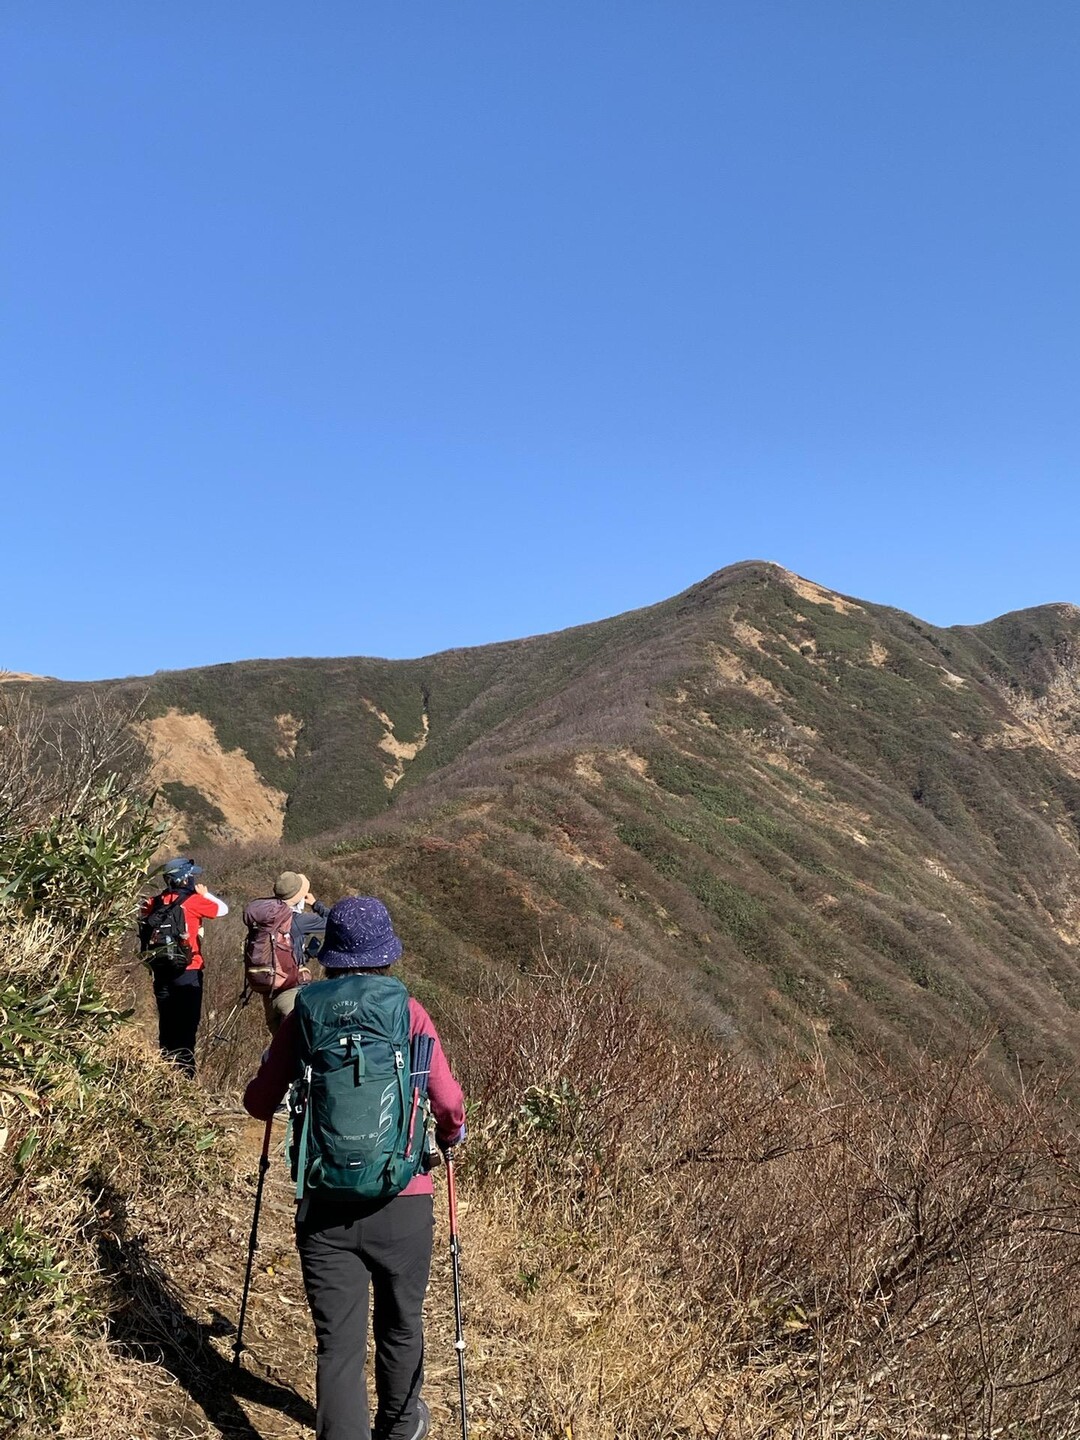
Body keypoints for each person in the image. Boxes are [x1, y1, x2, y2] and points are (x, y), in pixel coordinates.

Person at [243, 896, 466, 1440]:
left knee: (338, 1345)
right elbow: (449, 1102)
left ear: (332, 954)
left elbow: (259, 1104)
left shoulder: (307, 1011)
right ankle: (400, 1428)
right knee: (401, 1325)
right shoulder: (408, 1011)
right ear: (386, 954)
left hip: (324, 1206)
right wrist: (449, 1136)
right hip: (403, 1199)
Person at [141, 856, 228, 1077]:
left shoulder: (153, 902)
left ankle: (164, 1073)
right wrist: (204, 893)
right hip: (188, 970)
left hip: (161, 971)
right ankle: (185, 1076)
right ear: (184, 879)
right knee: (187, 1027)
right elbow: (222, 909)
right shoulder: (193, 902)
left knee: (167, 1024)